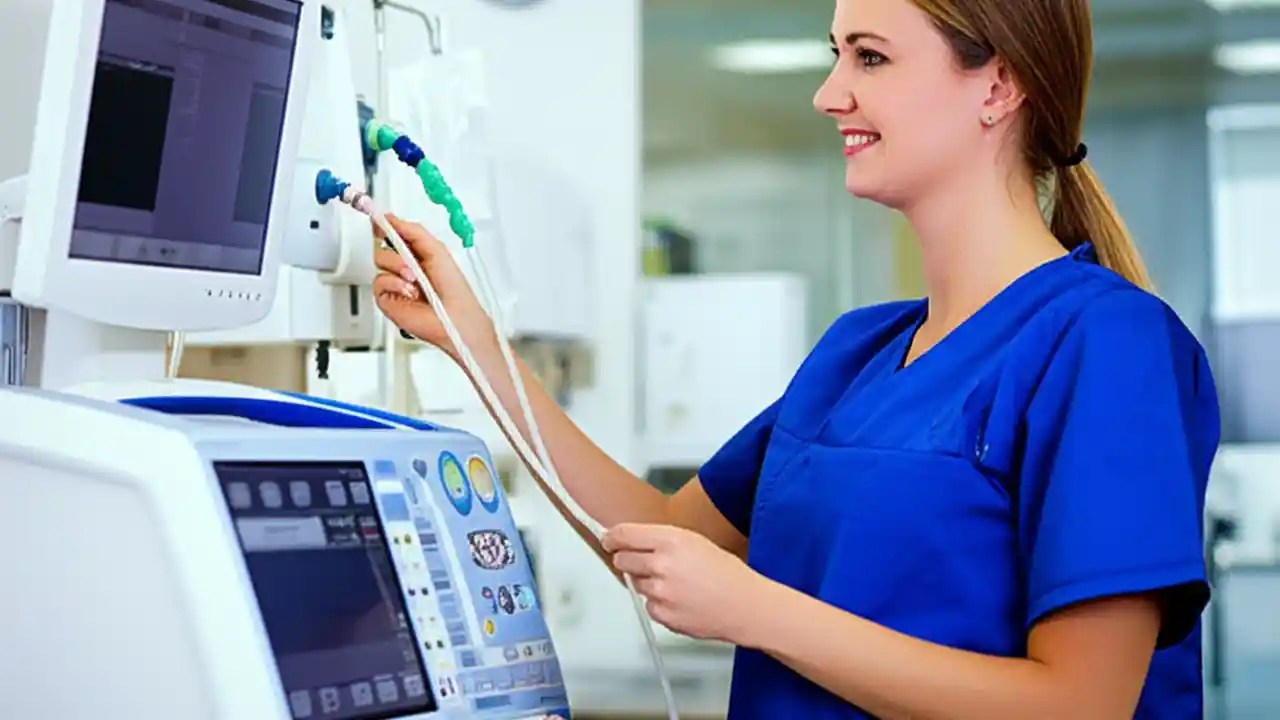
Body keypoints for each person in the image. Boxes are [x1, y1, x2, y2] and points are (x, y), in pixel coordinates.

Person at [371, 0, 1219, 716]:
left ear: (998, 84)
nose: (828, 93)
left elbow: (1078, 703)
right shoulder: (856, 353)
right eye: (834, 55)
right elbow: (659, 539)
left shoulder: (1107, 344)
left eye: (870, 57)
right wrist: (473, 342)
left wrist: (756, 611)